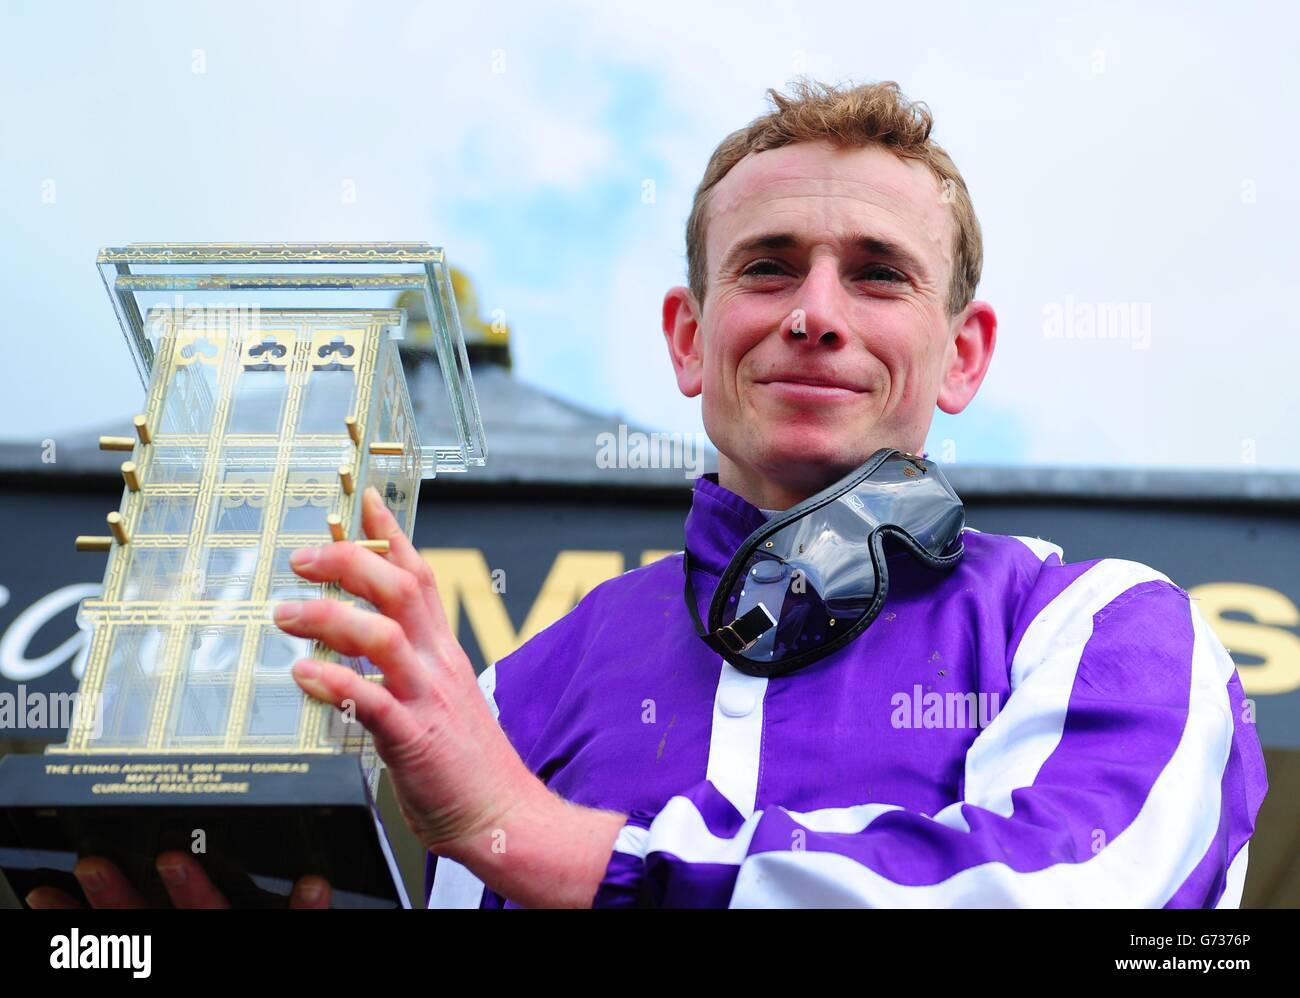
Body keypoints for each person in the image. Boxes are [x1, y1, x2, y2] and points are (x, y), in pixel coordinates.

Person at [31, 78, 1267, 910]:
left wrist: (558, 842)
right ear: (688, 337)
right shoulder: (519, 685)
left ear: (964, 352)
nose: (815, 315)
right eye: (767, 267)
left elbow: (1061, 894)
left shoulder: (1105, 625)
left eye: (878, 275)